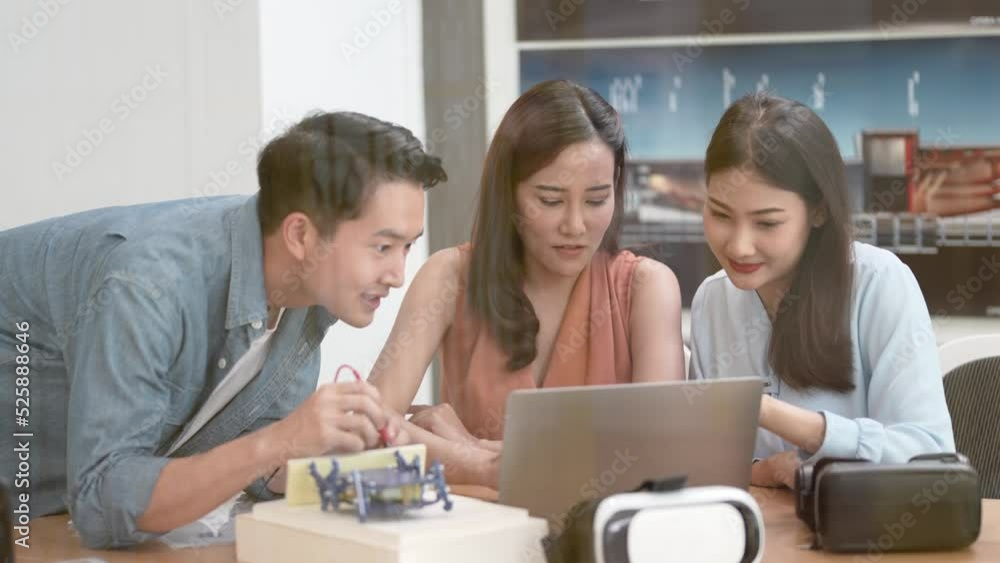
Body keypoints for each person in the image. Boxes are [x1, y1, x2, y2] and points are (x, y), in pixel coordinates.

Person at [0, 111, 445, 547]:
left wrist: (315, 454)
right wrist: (282, 440)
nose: (398, 274)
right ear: (301, 235)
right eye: (383, 247)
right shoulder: (148, 285)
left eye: (407, 247)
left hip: (47, 520)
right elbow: (103, 501)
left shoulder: (308, 295)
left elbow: (244, 467)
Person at [367, 80, 686, 489]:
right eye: (550, 200)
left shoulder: (646, 287)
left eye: (596, 199)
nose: (574, 226)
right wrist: (484, 465)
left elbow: (660, 460)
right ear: (510, 193)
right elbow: (370, 435)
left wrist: (465, 449)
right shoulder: (449, 278)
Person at [689, 93, 955, 488]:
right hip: (760, 536)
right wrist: (767, 470)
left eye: (767, 223)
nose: (739, 246)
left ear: (818, 211)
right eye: (720, 214)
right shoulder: (713, 300)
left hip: (863, 538)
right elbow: (706, 465)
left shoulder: (879, 284)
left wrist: (782, 419)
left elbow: (932, 457)